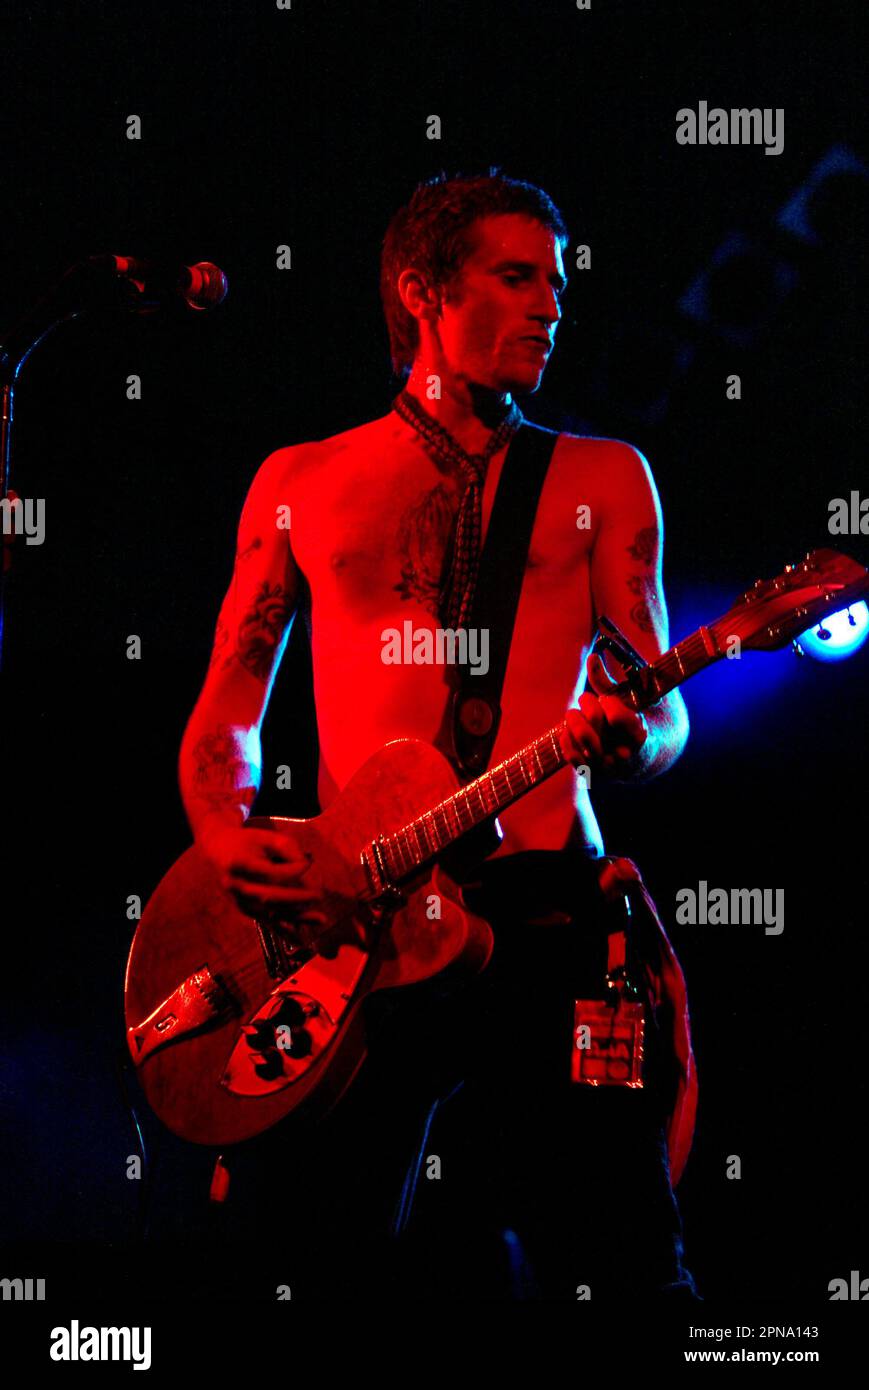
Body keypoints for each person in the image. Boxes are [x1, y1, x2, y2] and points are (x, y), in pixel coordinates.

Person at [176, 170, 698, 1300]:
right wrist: (223, 834)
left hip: (547, 910)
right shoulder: (299, 481)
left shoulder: (603, 479)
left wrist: (634, 740)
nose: (549, 308)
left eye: (554, 285)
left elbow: (661, 711)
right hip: (351, 924)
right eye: (514, 279)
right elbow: (228, 698)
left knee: (617, 1258)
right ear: (421, 291)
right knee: (296, 1258)